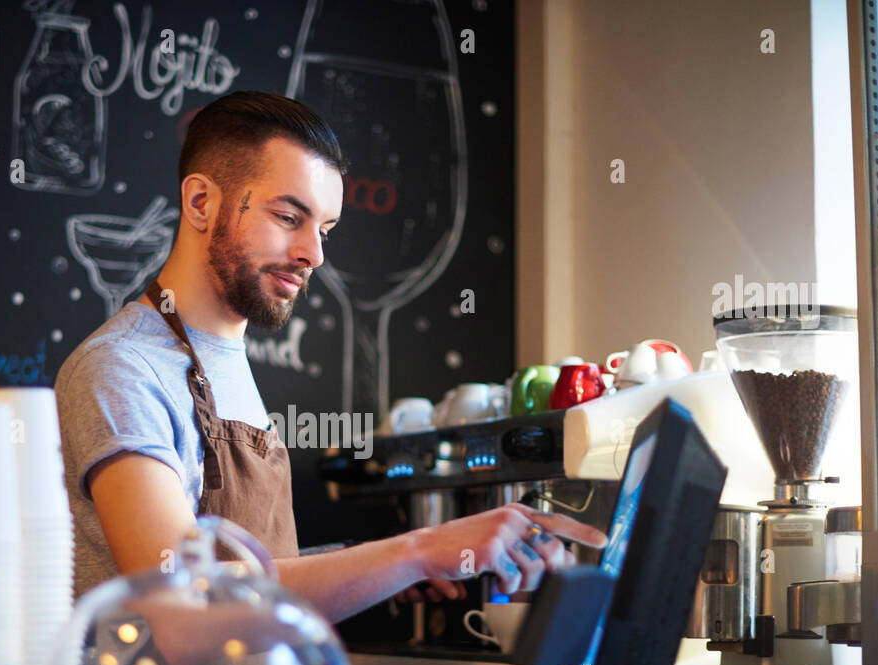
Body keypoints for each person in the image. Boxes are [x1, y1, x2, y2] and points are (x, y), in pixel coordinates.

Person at [54, 91, 606, 625]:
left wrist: (375, 569)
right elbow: (184, 613)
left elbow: (244, 569)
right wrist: (415, 550)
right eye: (288, 217)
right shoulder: (122, 369)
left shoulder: (220, 359)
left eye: (325, 229)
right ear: (202, 202)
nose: (313, 255)